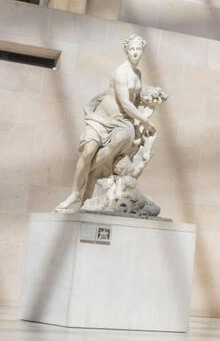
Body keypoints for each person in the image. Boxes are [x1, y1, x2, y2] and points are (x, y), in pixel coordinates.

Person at [55, 34, 153, 212]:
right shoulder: (120, 73)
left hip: (122, 122)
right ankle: (75, 193)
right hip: (101, 119)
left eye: (138, 49)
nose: (135, 53)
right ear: (126, 51)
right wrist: (144, 120)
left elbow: (135, 99)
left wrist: (143, 117)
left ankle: (89, 195)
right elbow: (125, 102)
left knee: (106, 157)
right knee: (88, 151)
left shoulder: (138, 74)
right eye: (132, 49)